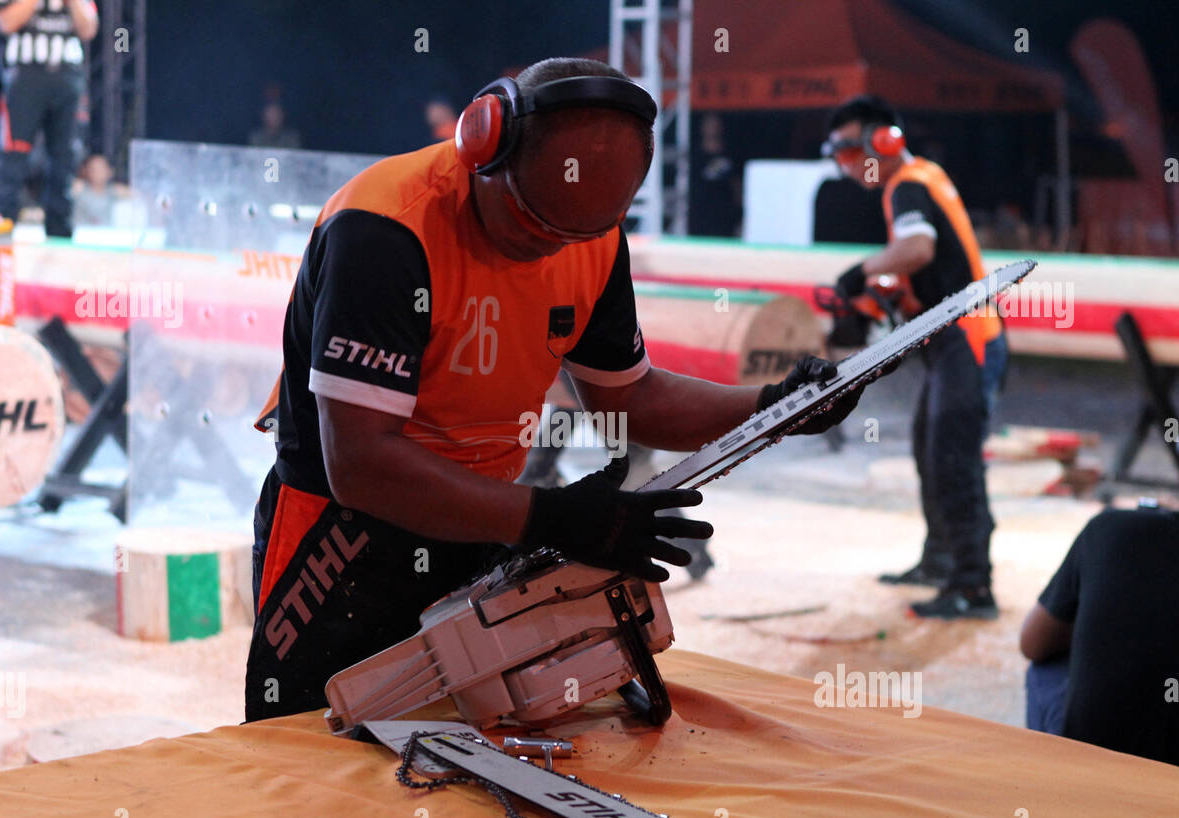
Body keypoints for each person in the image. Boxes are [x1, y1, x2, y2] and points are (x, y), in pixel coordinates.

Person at [245, 58, 863, 721]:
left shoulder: (589, 239)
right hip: (343, 541)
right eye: (530, 222)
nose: (546, 250)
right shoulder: (386, 230)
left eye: (572, 235)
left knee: (462, 745)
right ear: (483, 142)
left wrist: (769, 410)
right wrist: (551, 519)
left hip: (484, 518)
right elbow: (362, 465)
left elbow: (630, 400)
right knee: (313, 752)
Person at [821, 95, 1005, 620]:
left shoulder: (908, 186)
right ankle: (942, 560)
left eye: (849, 151)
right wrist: (889, 293)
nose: (846, 164)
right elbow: (929, 267)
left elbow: (919, 249)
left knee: (953, 459)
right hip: (955, 338)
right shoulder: (922, 176)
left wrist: (860, 273)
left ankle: (974, 586)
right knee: (931, 449)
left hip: (966, 339)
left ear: (883, 142)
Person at [1020, 434, 1179, 778]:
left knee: (1048, 667)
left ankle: (1051, 783)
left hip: (1096, 781)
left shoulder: (1111, 527)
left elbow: (1032, 643)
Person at [0, 0, 97, 238]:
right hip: (26, 76)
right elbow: (5, 22)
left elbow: (89, 28)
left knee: (65, 156)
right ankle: (2, 224)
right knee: (14, 152)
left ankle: (60, 228)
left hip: (67, 76)